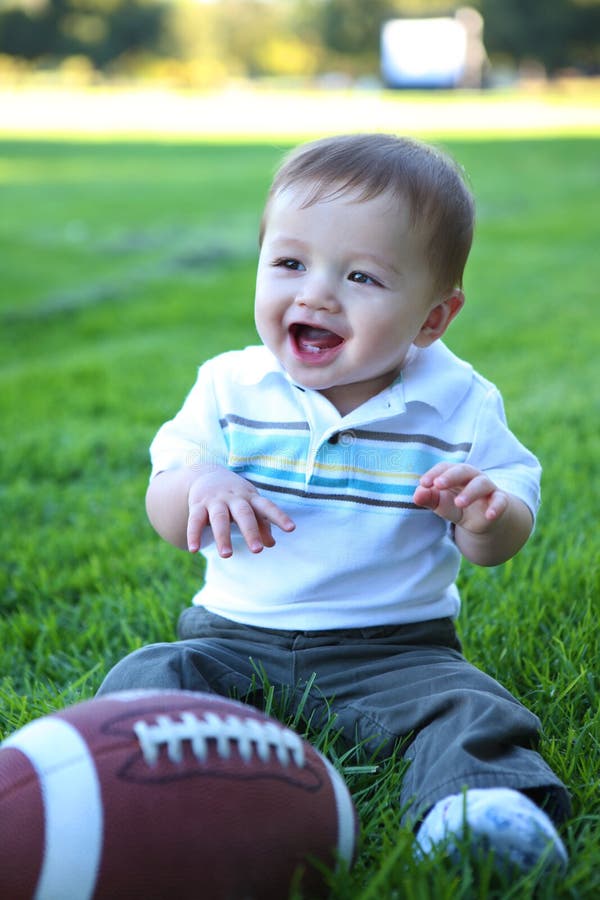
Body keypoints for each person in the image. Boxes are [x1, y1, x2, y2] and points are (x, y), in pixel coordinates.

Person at [98, 134, 570, 874]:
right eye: (290, 264)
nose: (315, 294)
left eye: (361, 277)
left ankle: (478, 817)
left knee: (471, 709)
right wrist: (201, 485)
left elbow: (501, 532)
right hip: (232, 642)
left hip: (394, 652)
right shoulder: (229, 387)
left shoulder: (460, 405)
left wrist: (485, 516)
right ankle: (142, 805)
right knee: (149, 676)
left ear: (432, 319)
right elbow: (166, 501)